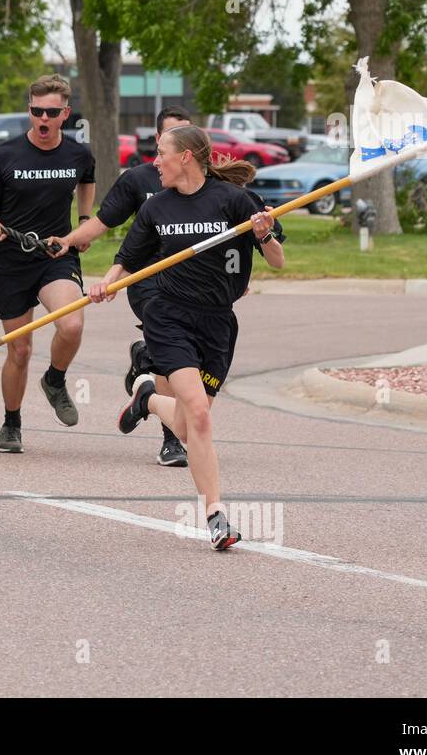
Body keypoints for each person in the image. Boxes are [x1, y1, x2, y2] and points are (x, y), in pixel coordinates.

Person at [89, 124, 285, 550]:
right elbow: (127, 258)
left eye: (161, 153)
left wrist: (264, 230)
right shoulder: (156, 207)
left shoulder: (235, 201)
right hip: (168, 317)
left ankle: (147, 398)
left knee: (188, 421)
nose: (154, 161)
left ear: (186, 157)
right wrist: (106, 282)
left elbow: (277, 259)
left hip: (217, 324)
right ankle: (216, 515)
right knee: (198, 414)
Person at [55, 105, 191, 467]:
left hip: (194, 287)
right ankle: (171, 440)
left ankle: (143, 366)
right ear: (159, 140)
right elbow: (102, 222)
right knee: (171, 354)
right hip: (148, 284)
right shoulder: (140, 181)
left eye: (187, 134)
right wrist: (68, 241)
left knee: (191, 358)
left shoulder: (211, 184)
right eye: (172, 135)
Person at [0, 73, 95, 454]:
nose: (43, 119)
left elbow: (86, 181)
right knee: (20, 349)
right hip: (10, 258)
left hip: (55, 254)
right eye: (37, 111)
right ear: (29, 110)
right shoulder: (3, 155)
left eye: (52, 112)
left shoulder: (78, 154)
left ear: (65, 113)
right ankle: (12, 422)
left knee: (72, 323)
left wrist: (84, 222)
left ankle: (55, 380)